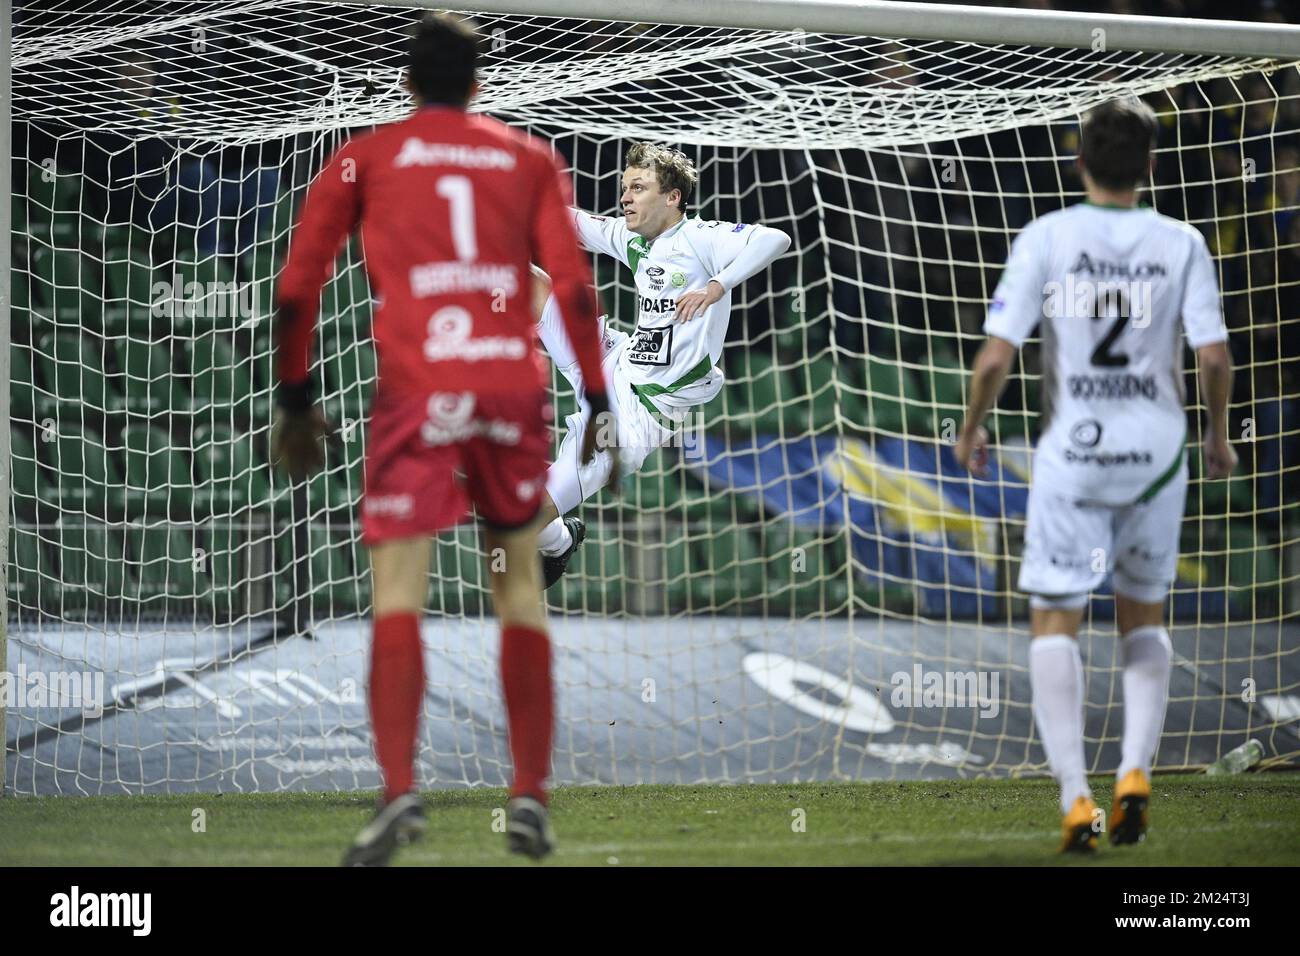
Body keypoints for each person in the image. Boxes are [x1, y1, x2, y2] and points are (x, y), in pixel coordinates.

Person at [271, 13, 614, 865]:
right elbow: (571, 285)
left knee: (399, 593)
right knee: (518, 591)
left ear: (407, 82)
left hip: (421, 393)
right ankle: (529, 795)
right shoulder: (527, 157)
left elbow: (297, 284)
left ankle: (399, 789)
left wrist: (295, 397)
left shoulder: (367, 157)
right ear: (480, 83)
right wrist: (601, 395)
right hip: (507, 387)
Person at [954, 97, 1237, 852]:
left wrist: (973, 425)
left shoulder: (1047, 236)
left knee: (1055, 621)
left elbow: (995, 356)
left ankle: (1078, 800)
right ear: (1151, 164)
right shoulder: (1182, 241)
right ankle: (1136, 774)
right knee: (1142, 615)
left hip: (1075, 456)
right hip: (1155, 456)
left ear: (1078, 160)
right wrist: (1215, 436)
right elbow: (1212, 356)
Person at [532, 144, 791, 586]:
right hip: (612, 360)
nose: (626, 197)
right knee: (524, 280)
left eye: (639, 188)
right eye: (624, 188)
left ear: (672, 197)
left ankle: (557, 541)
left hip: (632, 419)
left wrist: (717, 284)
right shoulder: (633, 239)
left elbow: (776, 239)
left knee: (522, 513)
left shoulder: (703, 238)